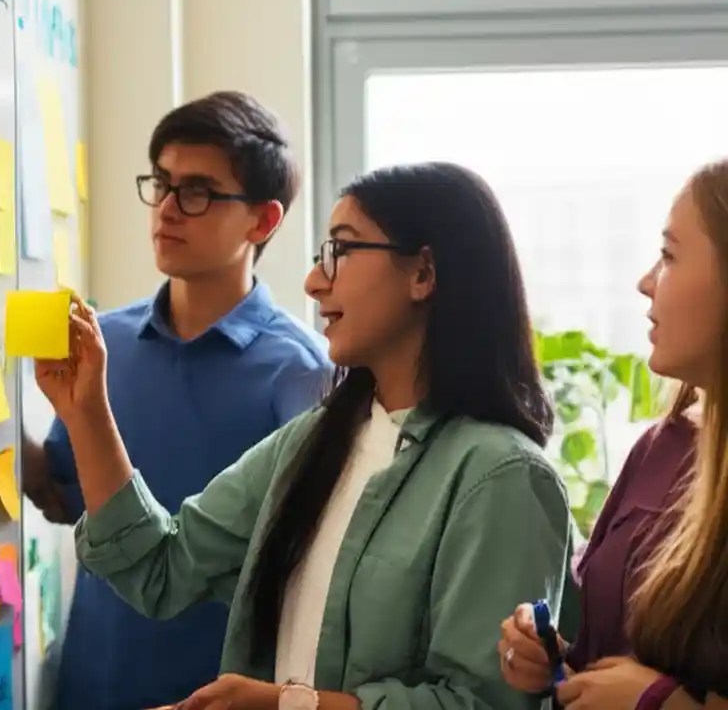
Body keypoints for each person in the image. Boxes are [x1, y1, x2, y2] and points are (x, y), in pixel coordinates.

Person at [36, 161, 574, 710]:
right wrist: (86, 411)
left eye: (341, 251)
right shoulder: (315, 441)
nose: (315, 281)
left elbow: (484, 704)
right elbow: (160, 570)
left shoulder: (502, 478)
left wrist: (289, 705)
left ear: (423, 274)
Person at [20, 91, 332, 710]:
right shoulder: (104, 342)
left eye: (196, 192)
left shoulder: (302, 372)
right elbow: (63, 498)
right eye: (160, 184)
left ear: (262, 221)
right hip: (91, 683)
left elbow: (313, 565)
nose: (166, 209)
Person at [498, 159, 728, 708]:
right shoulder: (659, 447)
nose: (646, 282)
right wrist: (555, 657)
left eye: (670, 256)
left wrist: (663, 703)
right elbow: (611, 651)